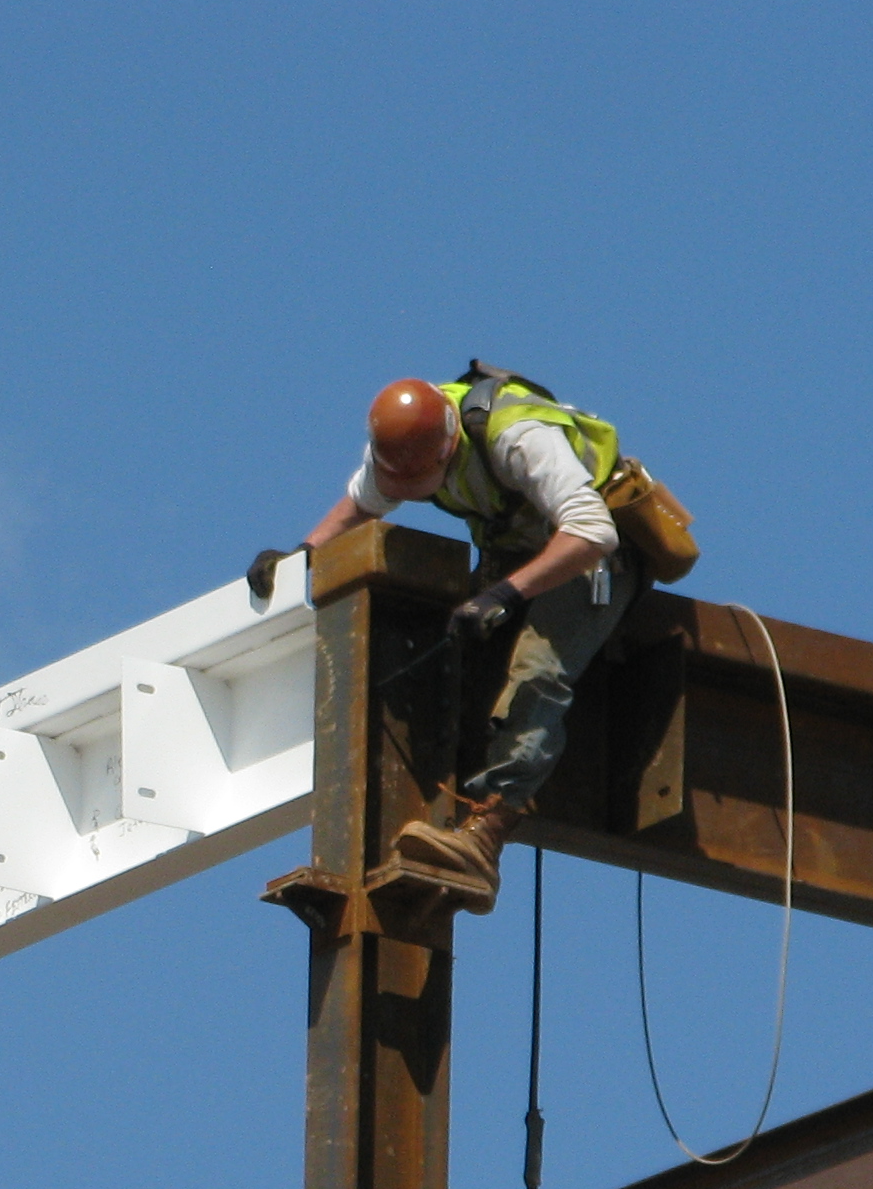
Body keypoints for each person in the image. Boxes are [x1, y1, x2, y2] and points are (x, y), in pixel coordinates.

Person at [248, 367, 641, 911]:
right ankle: (448, 810)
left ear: (446, 449)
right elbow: (360, 507)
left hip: (587, 558)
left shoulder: (518, 437)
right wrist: (299, 557)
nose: (402, 492)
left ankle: (484, 838)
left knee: (537, 674)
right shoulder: (403, 450)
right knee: (462, 658)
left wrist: (504, 594)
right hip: (521, 553)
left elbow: (593, 532)